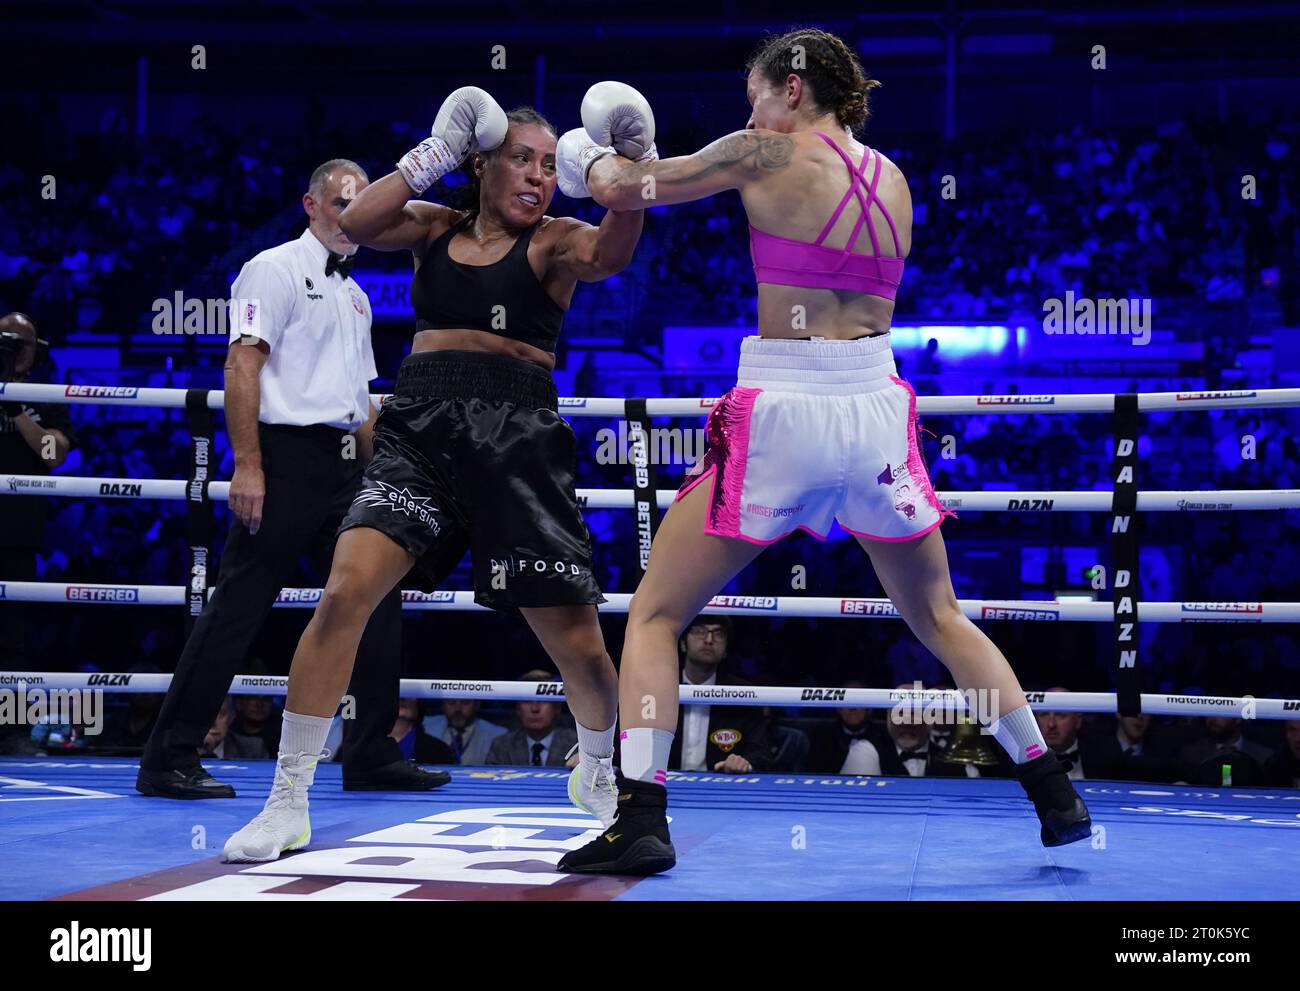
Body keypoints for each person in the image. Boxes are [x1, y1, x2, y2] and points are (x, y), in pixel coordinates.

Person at [556, 30, 1091, 875]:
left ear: (794, 87)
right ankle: (1052, 790)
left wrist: (587, 152)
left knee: (656, 613)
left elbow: (625, 189)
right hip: (876, 404)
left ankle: (642, 815)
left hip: (790, 404)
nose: (750, 109)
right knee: (941, 616)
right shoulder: (898, 181)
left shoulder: (765, 151)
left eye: (757, 92)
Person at [223, 86, 646, 862]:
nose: (539, 176)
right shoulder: (433, 227)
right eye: (522, 158)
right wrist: (433, 151)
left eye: (552, 165)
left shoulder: (554, 240)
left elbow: (612, 254)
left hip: (518, 437)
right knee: (346, 590)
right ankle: (286, 798)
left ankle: (594, 764)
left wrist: (633, 175)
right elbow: (354, 224)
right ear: (481, 162)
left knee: (580, 645)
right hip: (419, 428)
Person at [136, 160, 444, 799]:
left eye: (361, 204)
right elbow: (242, 363)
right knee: (239, 606)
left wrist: (381, 475)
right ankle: (168, 756)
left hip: (343, 467)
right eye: (339, 202)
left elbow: (360, 399)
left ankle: (369, 752)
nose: (350, 215)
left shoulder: (356, 296)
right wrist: (247, 464)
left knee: (379, 592)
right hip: (282, 460)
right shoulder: (269, 269)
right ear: (310, 204)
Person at [0, 312, 74, 666]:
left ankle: (10, 720)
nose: (12, 350)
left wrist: (16, 411)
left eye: (20, 343)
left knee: (13, 637)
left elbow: (53, 455)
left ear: (36, 350)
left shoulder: (46, 396)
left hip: (17, 533)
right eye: (5, 341)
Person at [661, 614, 774, 774]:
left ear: (726, 649)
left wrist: (744, 763)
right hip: (664, 783)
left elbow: (761, 754)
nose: (708, 639)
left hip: (720, 786)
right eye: (700, 631)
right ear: (683, 643)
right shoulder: (658, 688)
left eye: (718, 634)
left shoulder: (743, 694)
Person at [485, 671, 579, 767]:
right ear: (518, 708)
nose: (535, 709)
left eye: (543, 701)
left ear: (557, 707)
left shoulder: (577, 745)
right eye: (527, 701)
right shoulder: (501, 746)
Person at [423, 699, 507, 765]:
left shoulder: (497, 735)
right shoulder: (425, 726)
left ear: (477, 704)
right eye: (451, 702)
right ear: (443, 704)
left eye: (465, 703)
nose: (457, 709)